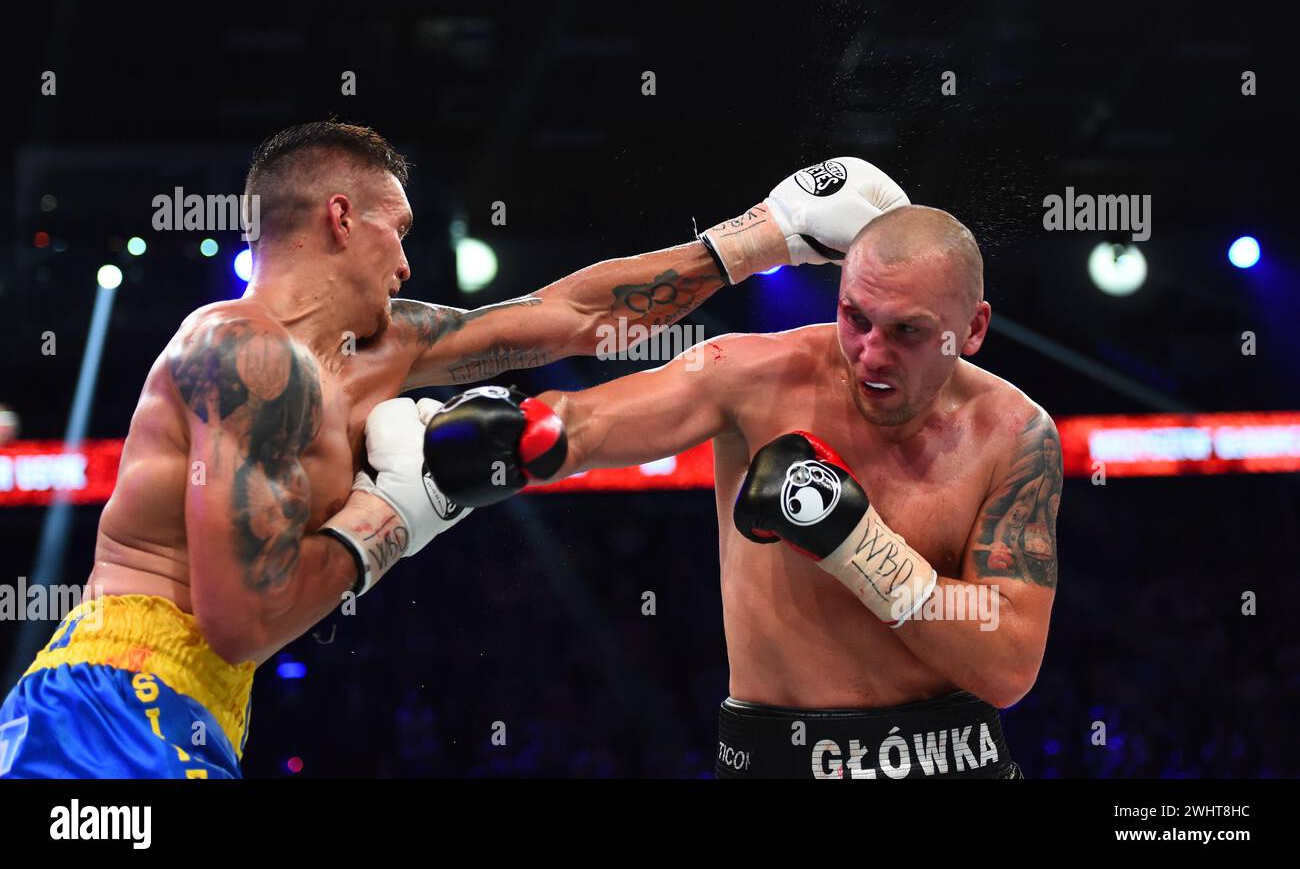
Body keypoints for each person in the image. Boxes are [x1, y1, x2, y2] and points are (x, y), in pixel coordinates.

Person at [0, 121, 901, 778]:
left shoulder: (378, 350)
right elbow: (240, 617)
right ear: (340, 217)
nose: (405, 263)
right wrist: (395, 514)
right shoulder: (235, 352)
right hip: (110, 703)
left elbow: (573, 317)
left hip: (193, 713)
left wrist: (762, 235)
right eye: (398, 230)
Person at [424, 203, 1060, 779]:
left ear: (972, 329)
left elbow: (1006, 666)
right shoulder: (752, 376)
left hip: (952, 760)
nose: (869, 354)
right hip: (770, 759)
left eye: (907, 332)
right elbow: (586, 426)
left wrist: (859, 547)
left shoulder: (1013, 434)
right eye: (855, 318)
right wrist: (524, 436)